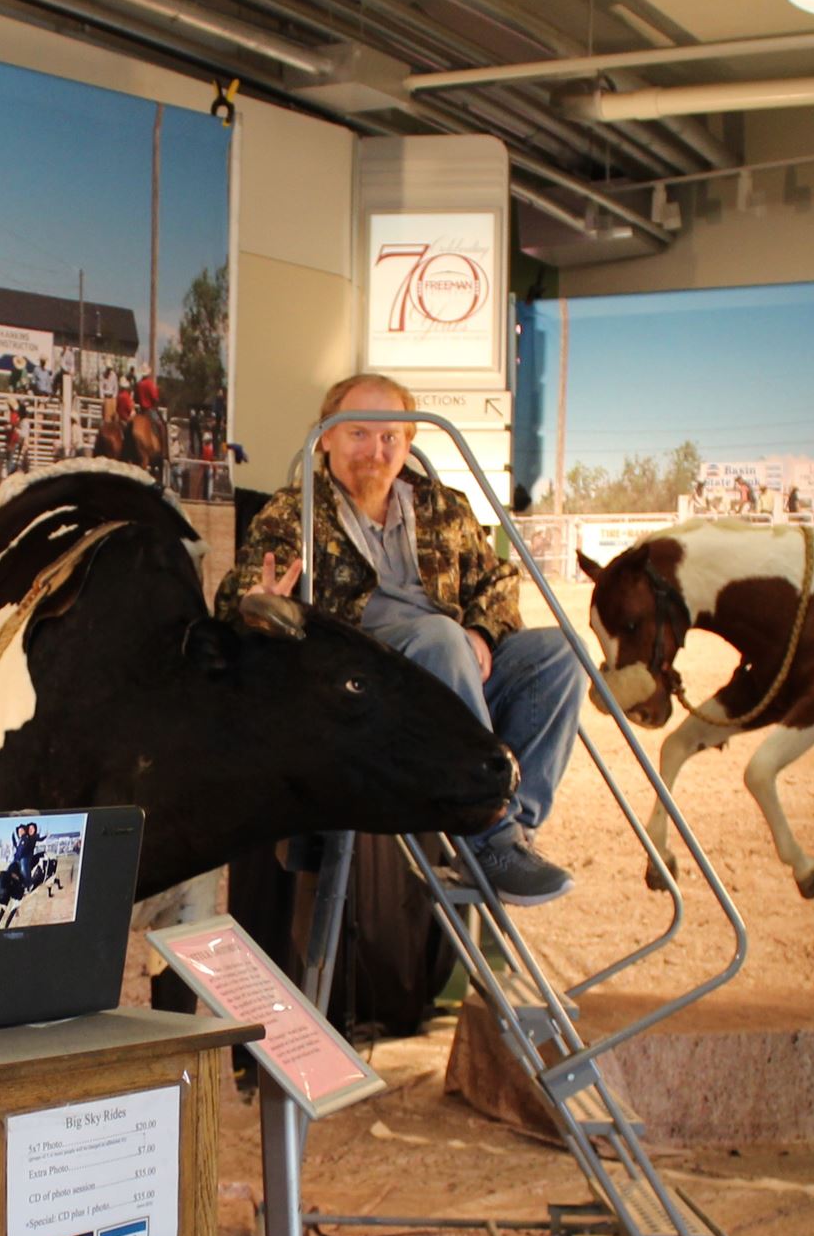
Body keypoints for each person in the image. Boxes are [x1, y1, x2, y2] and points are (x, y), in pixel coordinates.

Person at [215, 372, 584, 906]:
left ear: (408, 444)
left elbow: (498, 580)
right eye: (358, 433)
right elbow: (238, 600)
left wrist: (481, 630)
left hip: (453, 664)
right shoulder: (293, 513)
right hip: (366, 687)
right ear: (326, 438)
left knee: (560, 651)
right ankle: (488, 836)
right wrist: (262, 601)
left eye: (390, 437)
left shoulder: (444, 508)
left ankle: (513, 824)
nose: (375, 450)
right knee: (439, 637)